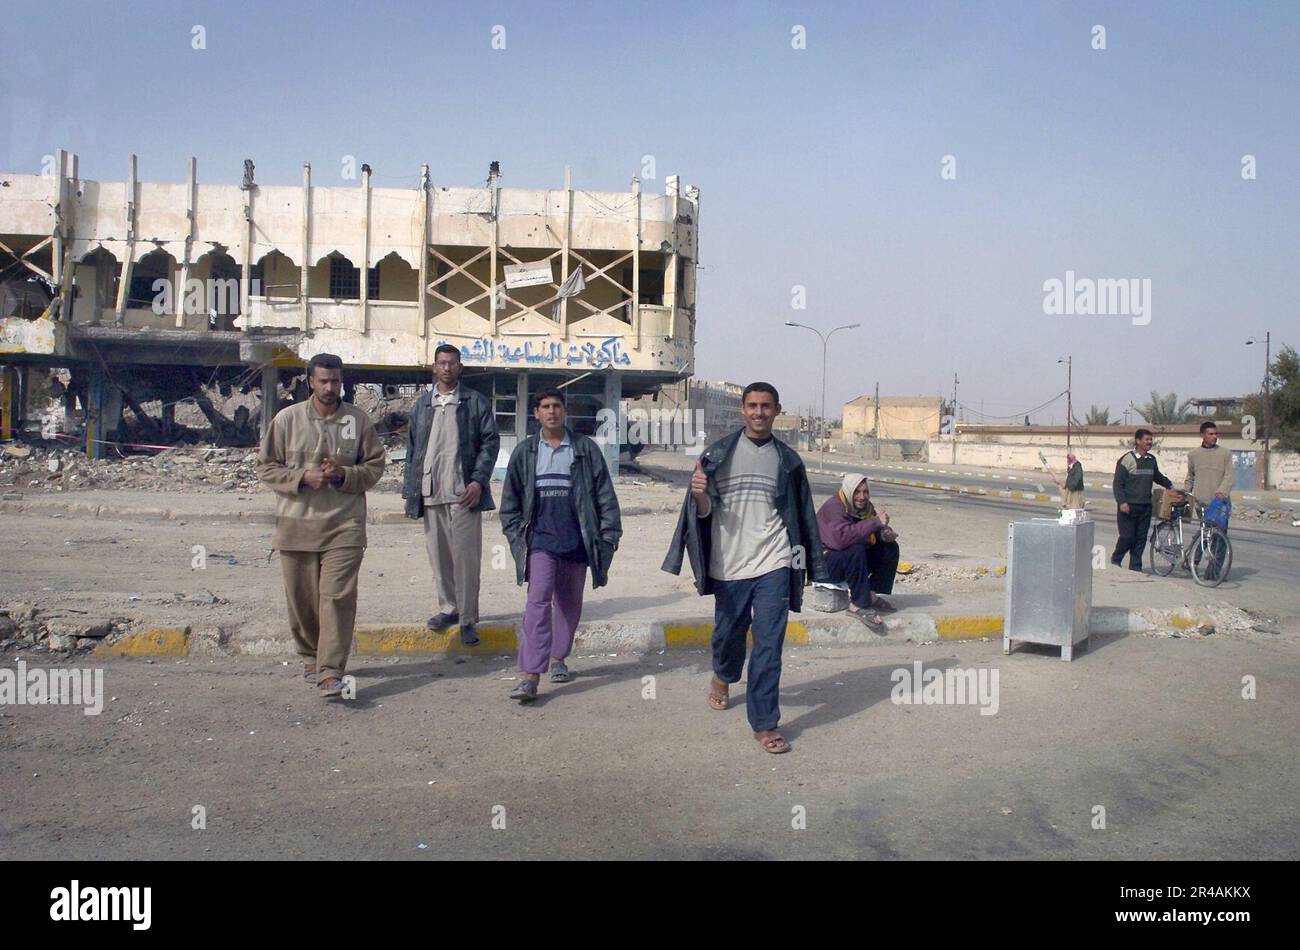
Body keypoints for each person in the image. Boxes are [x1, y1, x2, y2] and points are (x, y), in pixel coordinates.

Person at [662, 382, 828, 755]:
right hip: (729, 565)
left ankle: (765, 723)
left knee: (769, 646)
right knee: (729, 634)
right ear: (742, 409)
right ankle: (723, 674)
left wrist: (807, 568)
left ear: (776, 410)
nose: (759, 412)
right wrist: (700, 493)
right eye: (752, 405)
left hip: (775, 561)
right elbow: (702, 515)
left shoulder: (788, 461)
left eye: (766, 406)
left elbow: (802, 518)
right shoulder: (717, 454)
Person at [256, 353, 386, 697]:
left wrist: (344, 473)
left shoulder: (358, 422)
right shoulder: (286, 420)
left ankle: (331, 672)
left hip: (344, 526)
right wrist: (302, 477)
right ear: (310, 382)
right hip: (296, 526)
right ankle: (311, 657)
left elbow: (374, 467)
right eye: (324, 381)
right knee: (303, 602)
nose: (330, 388)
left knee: (337, 598)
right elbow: (266, 466)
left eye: (336, 381)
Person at [499, 388, 621, 702]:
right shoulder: (526, 452)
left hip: (577, 540)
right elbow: (510, 504)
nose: (551, 412)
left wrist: (608, 538)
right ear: (536, 414)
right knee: (537, 602)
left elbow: (605, 497)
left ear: (564, 411)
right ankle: (530, 676)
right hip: (540, 541)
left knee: (568, 605)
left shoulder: (585, 449)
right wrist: (516, 537)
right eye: (545, 407)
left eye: (556, 406)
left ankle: (559, 657)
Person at [402, 344, 500, 646]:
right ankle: (449, 609)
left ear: (460, 368)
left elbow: (490, 442)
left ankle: (469, 618)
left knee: (466, 560)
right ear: (434, 367)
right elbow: (412, 451)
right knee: (439, 558)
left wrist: (478, 481)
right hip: (431, 492)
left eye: (452, 363)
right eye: (441, 363)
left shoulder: (474, 402)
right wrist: (411, 491)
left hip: (463, 493)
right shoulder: (421, 405)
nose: (446, 368)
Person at [816, 474, 900, 632]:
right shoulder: (834, 507)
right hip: (825, 564)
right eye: (857, 492)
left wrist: (885, 533)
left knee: (890, 548)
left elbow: (875, 527)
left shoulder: (866, 508)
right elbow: (840, 540)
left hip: (850, 559)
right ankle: (858, 604)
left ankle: (871, 594)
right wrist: (875, 522)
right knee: (855, 548)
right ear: (848, 491)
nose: (862, 497)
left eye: (865, 492)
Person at [1111, 428, 1172, 572]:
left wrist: (1169, 485)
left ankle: (1135, 567)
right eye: (1147, 439)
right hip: (1128, 506)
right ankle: (1116, 558)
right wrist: (1122, 502)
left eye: (1151, 440)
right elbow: (1118, 483)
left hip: (1145, 506)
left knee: (1140, 539)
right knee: (1127, 537)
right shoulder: (1127, 459)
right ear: (1138, 441)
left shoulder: (1151, 460)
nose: (1150, 442)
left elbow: (1157, 476)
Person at [1184, 421, 1233, 526]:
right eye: (1210, 434)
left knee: (1219, 536)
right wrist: (1185, 493)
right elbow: (1190, 477)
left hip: (1219, 503)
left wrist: (1222, 492)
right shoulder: (1193, 454)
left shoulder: (1225, 453)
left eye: (1216, 434)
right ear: (1202, 435)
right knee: (1205, 535)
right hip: (1201, 504)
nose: (1214, 436)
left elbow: (1229, 476)